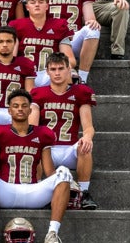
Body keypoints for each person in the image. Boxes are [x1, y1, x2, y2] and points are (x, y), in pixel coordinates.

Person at [0, 89, 71, 243]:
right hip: (5, 190)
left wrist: (59, 173)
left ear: (30, 110)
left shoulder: (43, 133)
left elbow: (48, 171)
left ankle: (52, 234)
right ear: (9, 110)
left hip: (33, 191)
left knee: (64, 176)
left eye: (24, 106)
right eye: (16, 106)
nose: (20, 109)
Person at [31, 52, 98, 209]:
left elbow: (88, 127)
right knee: (34, 145)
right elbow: (32, 127)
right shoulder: (38, 93)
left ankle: (84, 192)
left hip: (70, 149)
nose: (57, 73)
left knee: (85, 146)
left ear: (69, 69)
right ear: (47, 71)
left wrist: (87, 137)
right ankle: (37, 190)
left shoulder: (81, 92)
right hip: (48, 149)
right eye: (53, 69)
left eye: (61, 68)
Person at [33, 0, 100, 83]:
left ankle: (83, 77)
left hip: (72, 39)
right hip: (50, 40)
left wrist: (92, 21)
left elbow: (89, 18)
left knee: (93, 29)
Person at [10, 0, 75, 85]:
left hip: (49, 73)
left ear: (47, 6)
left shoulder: (59, 25)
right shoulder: (16, 25)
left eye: (41, 2)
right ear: (27, 7)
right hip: (25, 73)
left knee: (68, 71)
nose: (37, 5)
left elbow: (70, 59)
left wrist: (60, 70)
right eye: (33, 3)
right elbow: (12, 57)